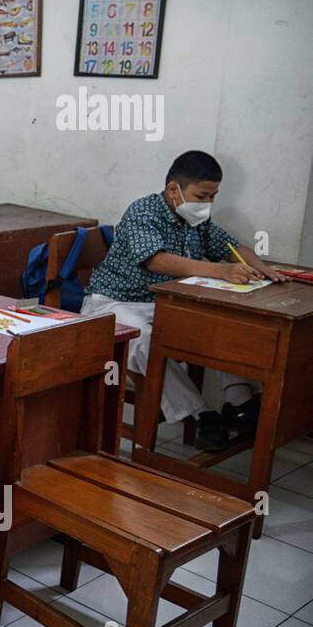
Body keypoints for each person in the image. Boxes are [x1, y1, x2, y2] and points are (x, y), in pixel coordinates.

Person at [82, 150, 289, 450]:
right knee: (144, 339)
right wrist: (221, 272)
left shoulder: (196, 221)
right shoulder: (143, 212)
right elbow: (156, 261)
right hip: (113, 303)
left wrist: (261, 267)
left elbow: (230, 246)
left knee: (214, 323)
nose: (207, 204)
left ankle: (238, 400)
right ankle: (202, 414)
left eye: (213, 197)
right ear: (173, 190)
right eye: (202, 196)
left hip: (163, 304)